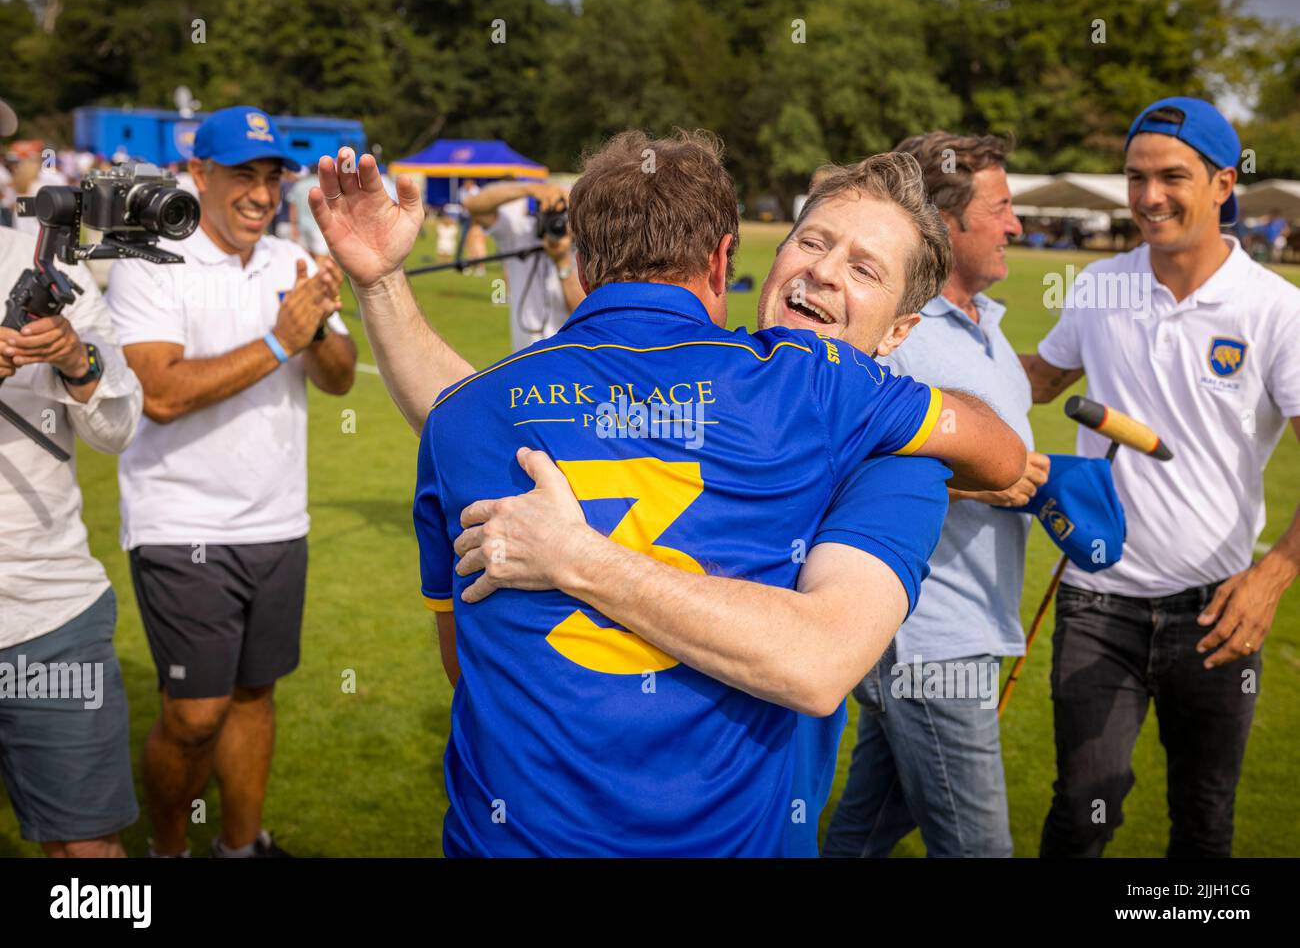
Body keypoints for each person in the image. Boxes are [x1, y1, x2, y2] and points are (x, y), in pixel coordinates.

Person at [309, 132, 1028, 855]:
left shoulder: (893, 459)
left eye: (865, 267)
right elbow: (462, 412)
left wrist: (576, 557)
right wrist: (381, 283)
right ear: (736, 260)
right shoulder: (787, 387)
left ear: (903, 328)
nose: (825, 271)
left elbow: (818, 661)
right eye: (813, 242)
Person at [1020, 97, 1300, 857]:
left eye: (1171, 176)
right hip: (1097, 599)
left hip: (1214, 612)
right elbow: (1038, 381)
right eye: (1135, 177)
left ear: (1223, 183)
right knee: (1083, 812)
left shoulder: (1274, 310)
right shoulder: (1103, 284)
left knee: (1203, 823)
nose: (1148, 197)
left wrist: (1273, 574)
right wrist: (937, 336)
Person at [106, 105, 357, 859]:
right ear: (198, 174)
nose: (260, 193)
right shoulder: (150, 261)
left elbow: (341, 379)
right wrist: (281, 338)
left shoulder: (290, 260)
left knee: (254, 695)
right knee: (194, 713)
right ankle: (170, 851)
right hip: (180, 522)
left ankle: (244, 847)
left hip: (279, 520)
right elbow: (162, 392)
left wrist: (316, 327)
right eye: (242, 176)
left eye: (271, 177)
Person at [823, 132, 1049, 858]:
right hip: (930, 641)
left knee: (860, 836)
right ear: (949, 224)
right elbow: (851, 461)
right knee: (980, 849)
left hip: (970, 629)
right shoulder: (901, 335)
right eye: (1002, 207)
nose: (1016, 224)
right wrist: (987, 481)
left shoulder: (988, 328)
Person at [0, 225, 144, 857]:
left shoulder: (41, 254)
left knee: (88, 851)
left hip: (50, 609)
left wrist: (77, 360)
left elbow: (120, 426)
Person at [465, 179, 586, 350]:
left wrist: (561, 260)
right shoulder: (520, 229)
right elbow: (474, 205)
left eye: (564, 215)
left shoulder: (586, 245)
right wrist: (529, 189)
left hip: (569, 354)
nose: (558, 222)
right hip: (524, 351)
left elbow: (583, 311)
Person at [286, 164, 326, 258]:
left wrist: (293, 225)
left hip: (302, 225)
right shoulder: (322, 184)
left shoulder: (299, 185)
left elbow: (293, 207)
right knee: (321, 256)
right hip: (319, 226)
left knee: (306, 256)